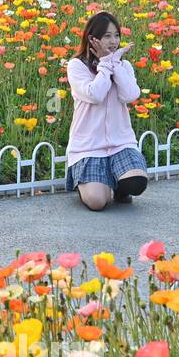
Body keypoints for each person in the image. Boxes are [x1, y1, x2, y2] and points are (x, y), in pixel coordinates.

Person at [65, 11, 148, 211]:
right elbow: (95, 94)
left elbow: (129, 95)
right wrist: (104, 64)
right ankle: (89, 185)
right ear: (92, 39)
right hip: (88, 147)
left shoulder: (124, 65)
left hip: (120, 143)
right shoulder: (77, 66)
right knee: (97, 202)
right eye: (107, 36)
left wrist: (115, 64)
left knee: (136, 183)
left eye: (116, 35)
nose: (113, 41)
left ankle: (120, 185)